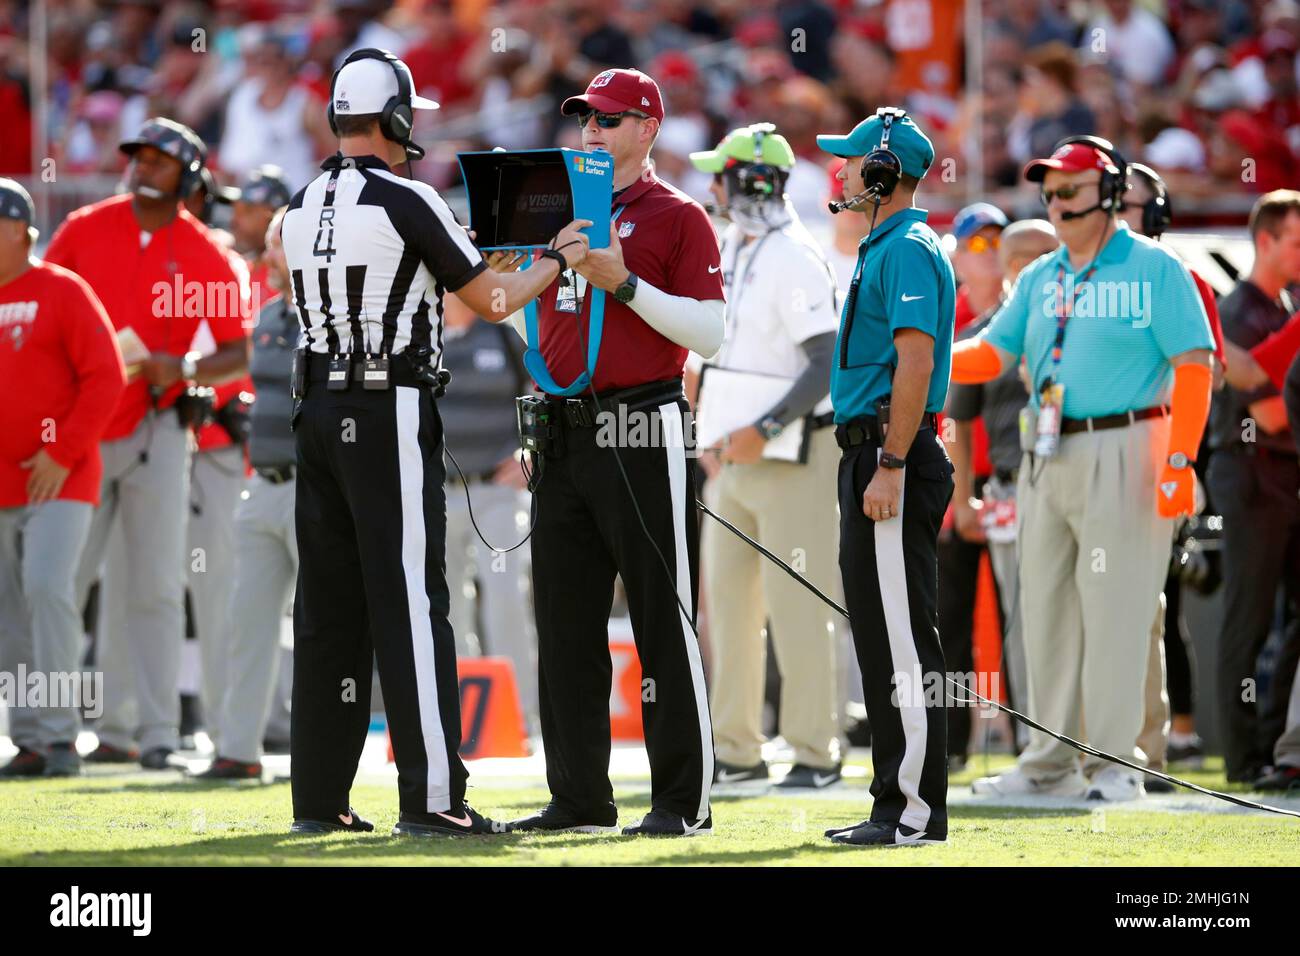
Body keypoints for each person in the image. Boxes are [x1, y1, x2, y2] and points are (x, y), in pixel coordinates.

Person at [280, 48, 589, 836]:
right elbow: (488, 299)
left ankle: (318, 799)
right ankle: (432, 797)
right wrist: (552, 260)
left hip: (315, 411)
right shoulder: (409, 198)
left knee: (327, 610)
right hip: (386, 412)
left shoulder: (302, 196)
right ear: (397, 120)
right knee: (413, 602)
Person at [954, 137, 1215, 801]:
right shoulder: (1042, 276)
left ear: (1108, 190)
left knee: (1118, 609)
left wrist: (1180, 460)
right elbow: (990, 354)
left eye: (1069, 189)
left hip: (1128, 443)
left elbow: (1194, 366)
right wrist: (918, 357)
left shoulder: (1156, 269)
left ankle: (1114, 765)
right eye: (1049, 191)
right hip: (1049, 453)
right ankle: (1047, 764)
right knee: (1044, 610)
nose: (1056, 202)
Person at [503, 68, 725, 837]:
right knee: (564, 625)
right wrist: (520, 271)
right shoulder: (553, 210)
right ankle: (577, 798)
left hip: (642, 425)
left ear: (648, 129)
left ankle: (681, 802)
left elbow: (709, 334)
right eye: (584, 119)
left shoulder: (678, 215)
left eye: (607, 119)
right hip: (562, 428)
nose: (590, 131)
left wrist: (624, 283)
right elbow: (531, 325)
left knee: (663, 616)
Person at [44, 118, 251, 769]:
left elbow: (239, 350)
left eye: (161, 160)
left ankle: (156, 732)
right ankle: (48, 732)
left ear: (189, 173)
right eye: (139, 157)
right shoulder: (83, 226)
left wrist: (184, 368)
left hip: (159, 425)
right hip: (78, 426)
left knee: (157, 585)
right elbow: (42, 304)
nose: (144, 167)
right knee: (61, 582)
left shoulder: (203, 252)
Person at [816, 107, 957, 847]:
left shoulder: (904, 247)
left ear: (879, 173)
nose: (837, 170)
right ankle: (891, 802)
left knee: (902, 641)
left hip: (888, 454)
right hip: (872, 452)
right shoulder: (887, 245)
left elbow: (917, 362)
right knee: (880, 637)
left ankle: (912, 812)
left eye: (848, 160)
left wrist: (893, 462)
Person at [687, 124, 842, 788]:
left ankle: (815, 753)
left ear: (745, 182)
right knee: (728, 609)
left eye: (719, 177)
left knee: (796, 607)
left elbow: (826, 360)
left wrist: (765, 423)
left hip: (794, 454)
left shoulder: (793, 256)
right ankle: (738, 752)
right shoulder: (734, 246)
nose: (711, 188)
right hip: (735, 460)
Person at [0, 179, 126, 778]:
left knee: (48, 589)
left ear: (24, 230)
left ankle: (58, 737)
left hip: (62, 477)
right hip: (2, 482)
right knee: (8, 608)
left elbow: (106, 376)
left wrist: (62, 449)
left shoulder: (62, 290)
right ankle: (26, 738)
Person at [1117, 162, 1223, 786]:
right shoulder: (1088, 276)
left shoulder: (1179, 278)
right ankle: (1110, 739)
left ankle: (1160, 739)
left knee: (1156, 605)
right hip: (1103, 457)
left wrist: (1180, 464)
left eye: (1129, 208)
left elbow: (1211, 374)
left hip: (1169, 457)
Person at [944, 217, 1058, 751]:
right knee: (1017, 618)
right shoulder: (982, 335)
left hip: (1074, 478)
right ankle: (1030, 745)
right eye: (1025, 258)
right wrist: (962, 495)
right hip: (1010, 486)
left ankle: (1081, 742)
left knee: (1067, 616)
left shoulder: (1083, 327)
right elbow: (957, 422)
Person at [1206, 190, 1300, 784]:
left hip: (1282, 476)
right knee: (1250, 618)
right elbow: (1270, 415)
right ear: (1265, 240)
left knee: (1290, 618)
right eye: (1296, 240)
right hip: (1251, 472)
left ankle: (1275, 747)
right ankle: (1245, 758)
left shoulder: (1282, 306)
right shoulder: (1240, 309)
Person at [198, 207, 296, 779]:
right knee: (246, 622)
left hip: (314, 485)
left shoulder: (334, 318)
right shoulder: (263, 317)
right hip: (260, 483)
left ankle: (325, 756)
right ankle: (237, 751)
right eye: (268, 245)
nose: (268, 255)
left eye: (279, 244)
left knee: (320, 625)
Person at [438, 291, 538, 734]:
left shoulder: (502, 333)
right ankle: (465, 722)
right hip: (439, 493)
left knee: (505, 601)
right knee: (447, 609)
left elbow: (541, 389)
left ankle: (522, 717)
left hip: (496, 489)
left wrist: (530, 452)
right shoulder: (422, 338)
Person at [939, 201, 1009, 768]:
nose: (990, 255)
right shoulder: (948, 314)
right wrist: (960, 496)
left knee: (1021, 614)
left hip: (1011, 476)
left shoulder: (1023, 312)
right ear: (958, 256)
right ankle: (954, 743)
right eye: (978, 244)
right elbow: (952, 418)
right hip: (957, 479)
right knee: (951, 619)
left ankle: (1028, 736)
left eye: (997, 242)